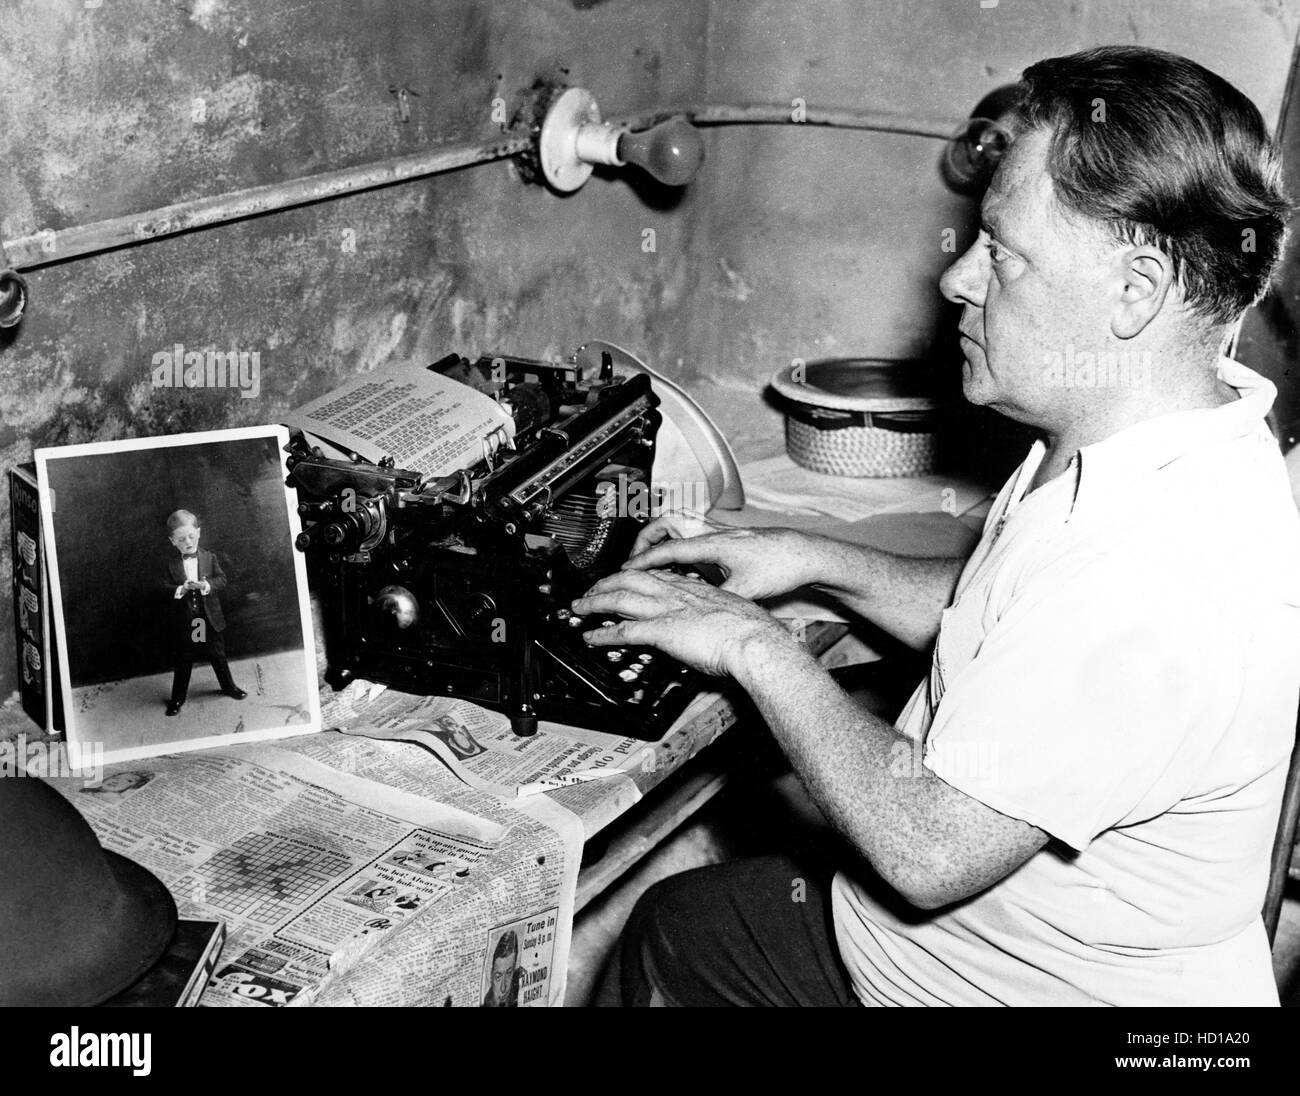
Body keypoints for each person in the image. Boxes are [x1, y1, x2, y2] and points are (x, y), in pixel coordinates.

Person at [581, 46, 1300, 1006]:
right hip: (940, 947)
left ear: (1137, 290)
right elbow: (1001, 622)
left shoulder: (1154, 571)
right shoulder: (1153, 432)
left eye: (1002, 251)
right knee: (679, 926)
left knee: (682, 922)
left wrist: (756, 647)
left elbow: (922, 845)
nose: (958, 278)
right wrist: (805, 559)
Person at [161, 509, 246, 716]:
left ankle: (228, 687)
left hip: (209, 618)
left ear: (198, 532)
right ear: (172, 541)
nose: (188, 542)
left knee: (217, 654)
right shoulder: (171, 564)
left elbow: (222, 579)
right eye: (181, 539)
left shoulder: (209, 557)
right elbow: (162, 587)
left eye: (191, 536)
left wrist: (205, 585)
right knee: (184, 658)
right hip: (189, 620)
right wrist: (181, 589)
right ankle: (178, 698)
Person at [482, 930, 522, 1007]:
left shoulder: (517, 989)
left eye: (509, 973)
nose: (503, 988)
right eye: (498, 977)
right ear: (490, 975)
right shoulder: (486, 1002)